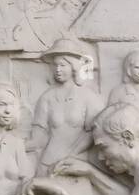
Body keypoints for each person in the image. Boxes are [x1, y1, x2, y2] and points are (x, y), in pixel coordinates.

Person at [29, 38, 104, 176]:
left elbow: (94, 132)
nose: (58, 69)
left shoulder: (88, 96)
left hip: (77, 162)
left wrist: (71, 155)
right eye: (55, 65)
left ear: (73, 67)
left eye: (63, 65)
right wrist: (15, 146)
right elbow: (39, 136)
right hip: (48, 162)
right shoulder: (47, 97)